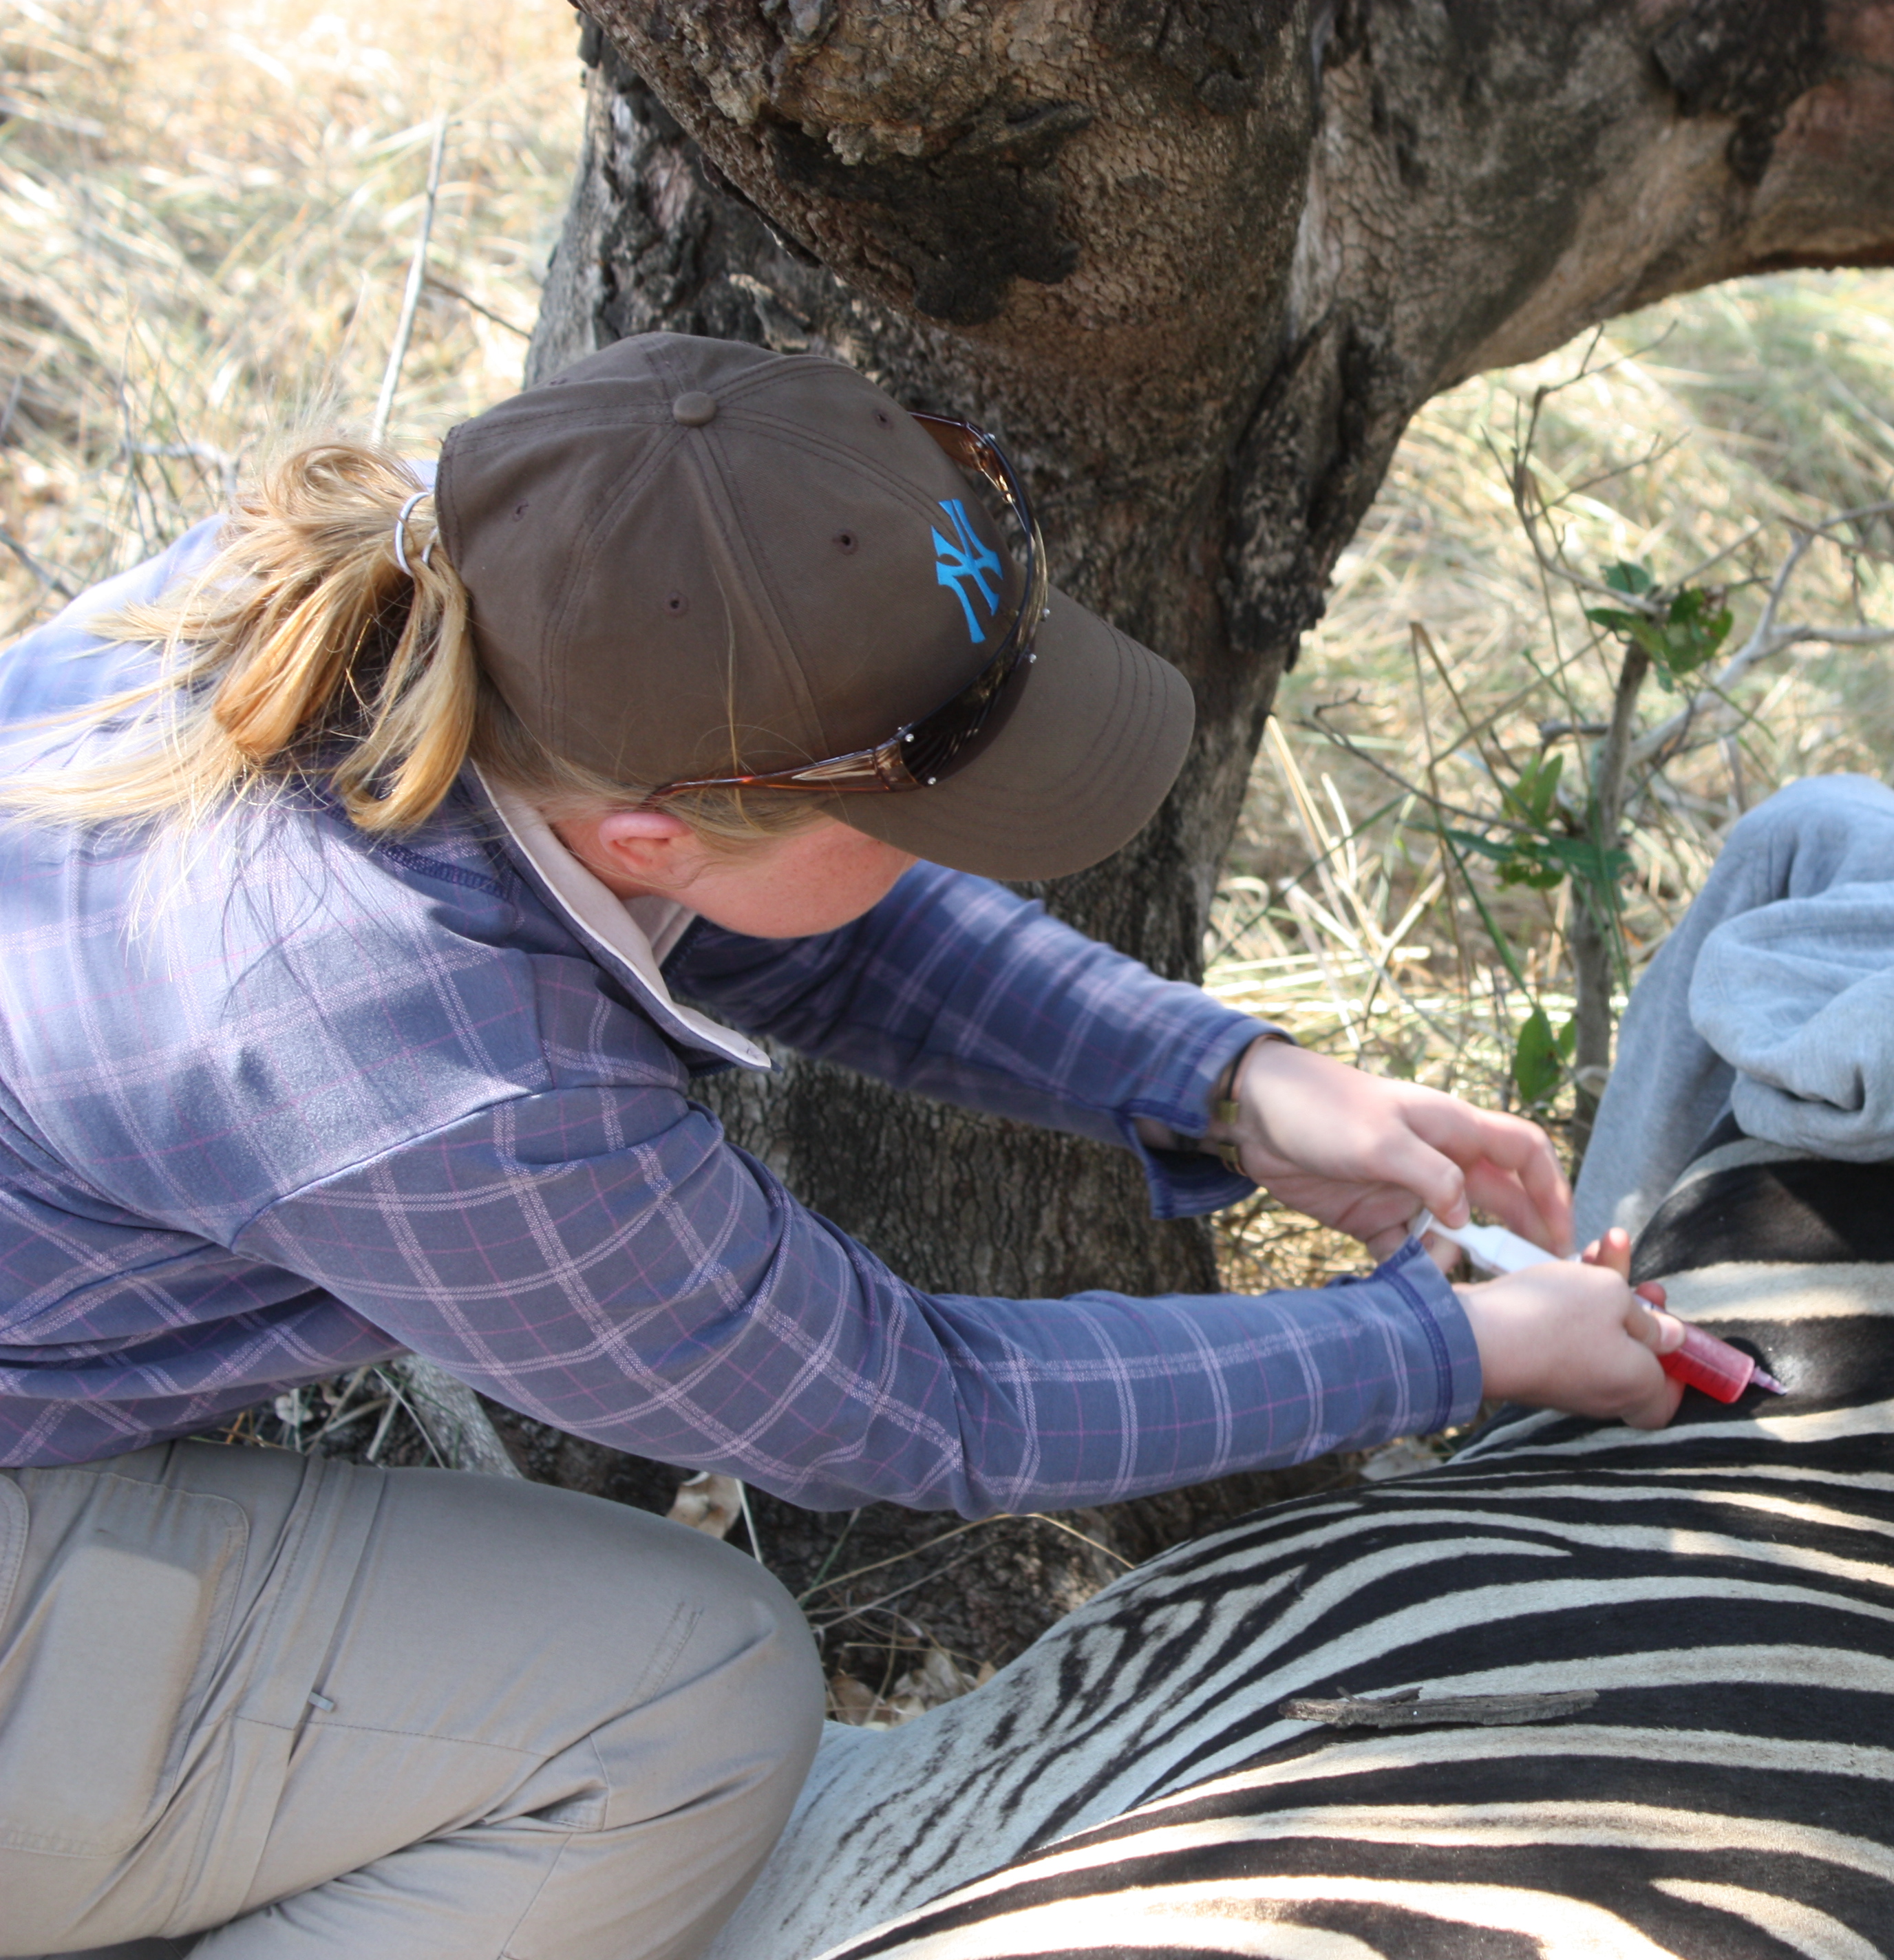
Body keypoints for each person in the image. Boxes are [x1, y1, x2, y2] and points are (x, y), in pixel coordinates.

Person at [0, 333, 1686, 1960]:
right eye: (911, 824)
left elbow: (806, 911)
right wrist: (1445, 1343)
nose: (958, 856)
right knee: (692, 1688)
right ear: (654, 829)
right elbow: (919, 1405)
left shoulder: (437, 593)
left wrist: (1234, 1079)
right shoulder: (439, 1075)